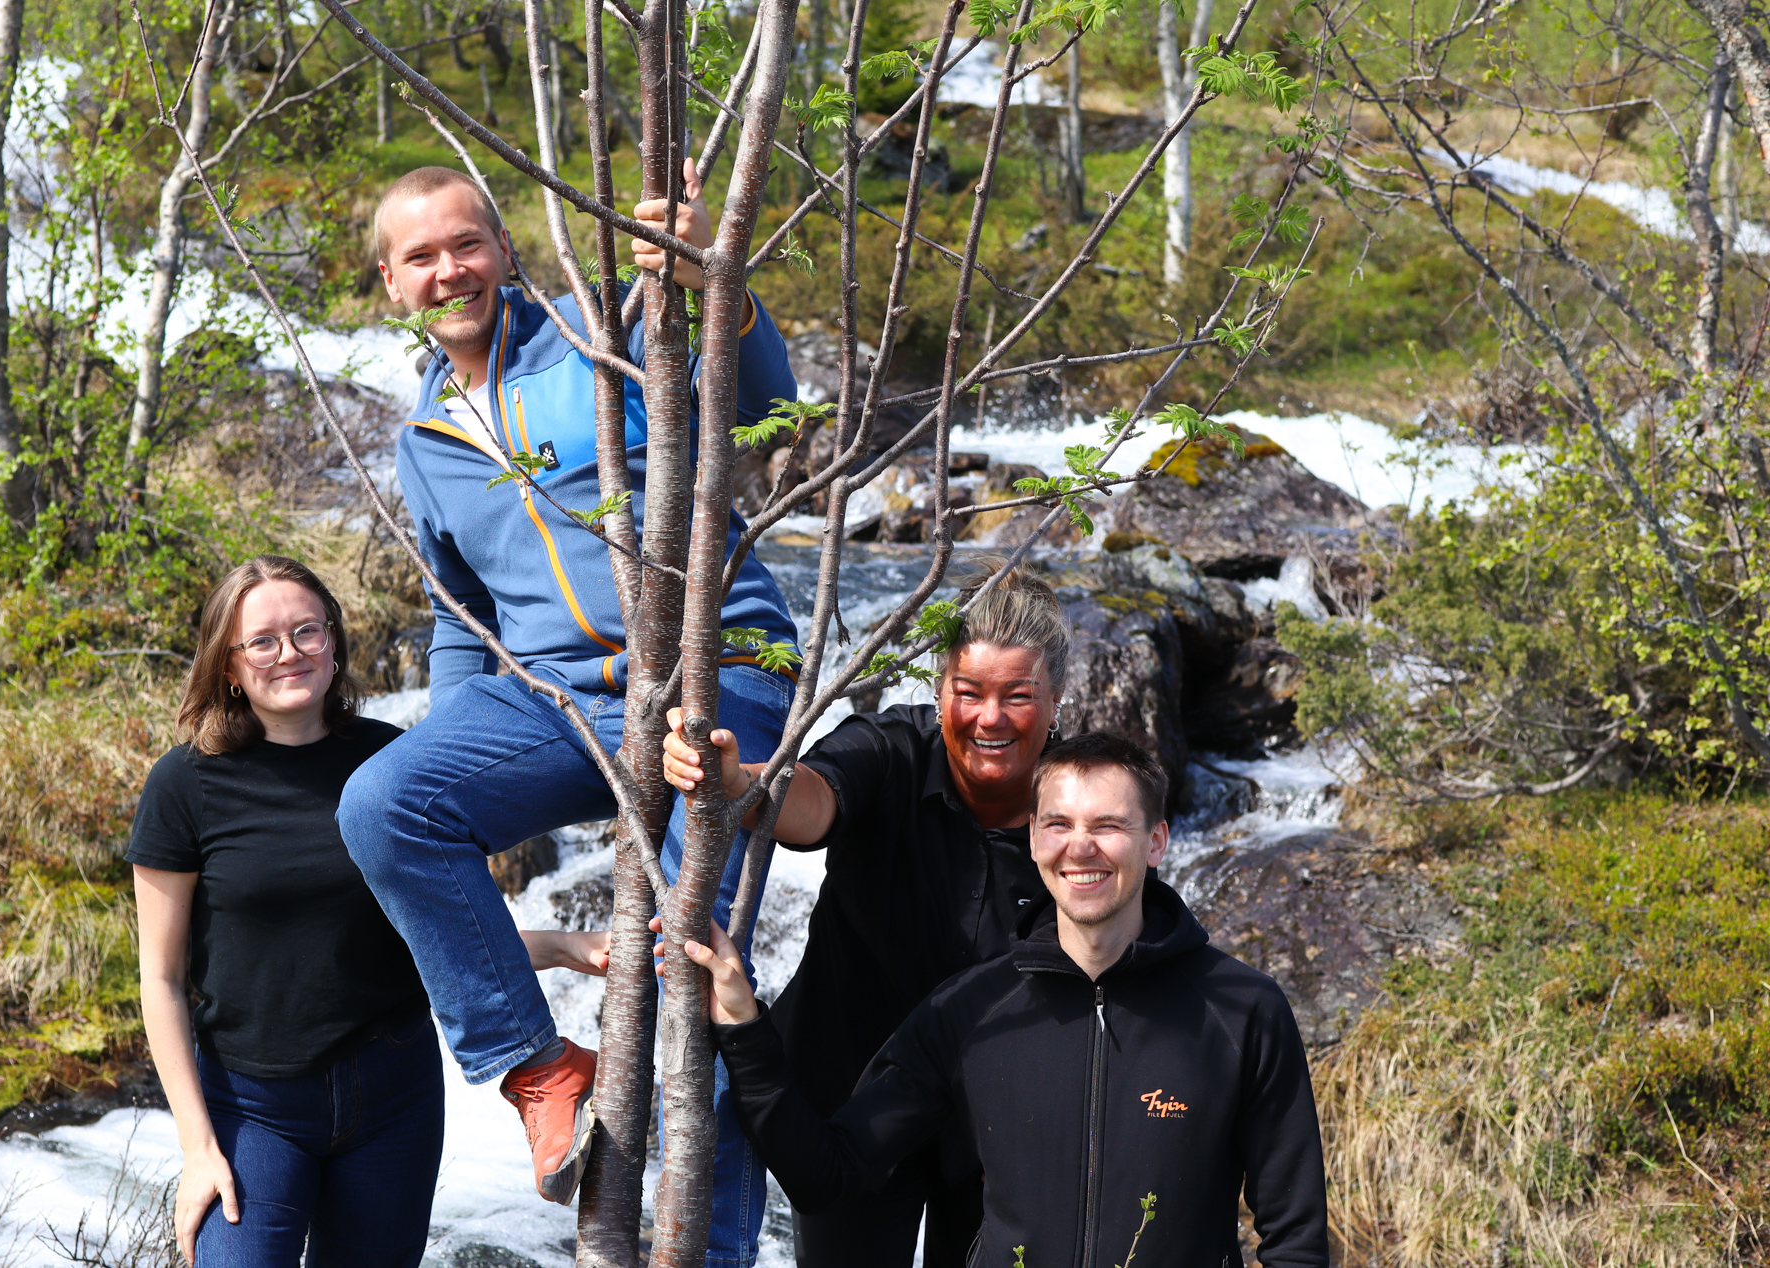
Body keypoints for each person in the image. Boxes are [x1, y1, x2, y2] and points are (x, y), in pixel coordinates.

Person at [334, 163, 799, 1264]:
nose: (449, 270)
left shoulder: (608, 335)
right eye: (420, 257)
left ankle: (711, 1250)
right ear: (389, 283)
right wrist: (456, 741)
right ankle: (540, 1072)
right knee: (382, 803)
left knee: (693, 976)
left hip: (709, 665)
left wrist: (709, 278)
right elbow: (462, 614)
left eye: (466, 244)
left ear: (503, 248)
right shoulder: (424, 439)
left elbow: (770, 408)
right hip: (562, 699)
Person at [682, 732, 1332, 1268]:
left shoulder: (1242, 1011)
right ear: (1033, 839)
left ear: (1156, 841)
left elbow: (1296, 1242)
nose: (1081, 847)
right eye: (1059, 824)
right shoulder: (970, 1011)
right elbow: (828, 1175)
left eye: (1108, 825)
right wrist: (744, 1026)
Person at [662, 563, 1066, 1268]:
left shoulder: (1082, 804)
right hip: (847, 1102)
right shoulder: (892, 748)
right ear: (939, 689)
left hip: (1004, 1125)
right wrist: (737, 782)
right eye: (968, 692)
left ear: (1056, 701)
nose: (989, 718)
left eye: (1017, 697)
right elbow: (809, 801)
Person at [128, 556, 441, 1267]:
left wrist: (568, 948)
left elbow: (445, 923)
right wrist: (197, 1146)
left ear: (333, 643)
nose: (290, 653)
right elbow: (161, 979)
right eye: (263, 641)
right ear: (229, 666)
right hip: (251, 1103)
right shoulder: (184, 784)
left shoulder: (394, 763)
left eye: (307, 631)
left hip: (393, 1093)